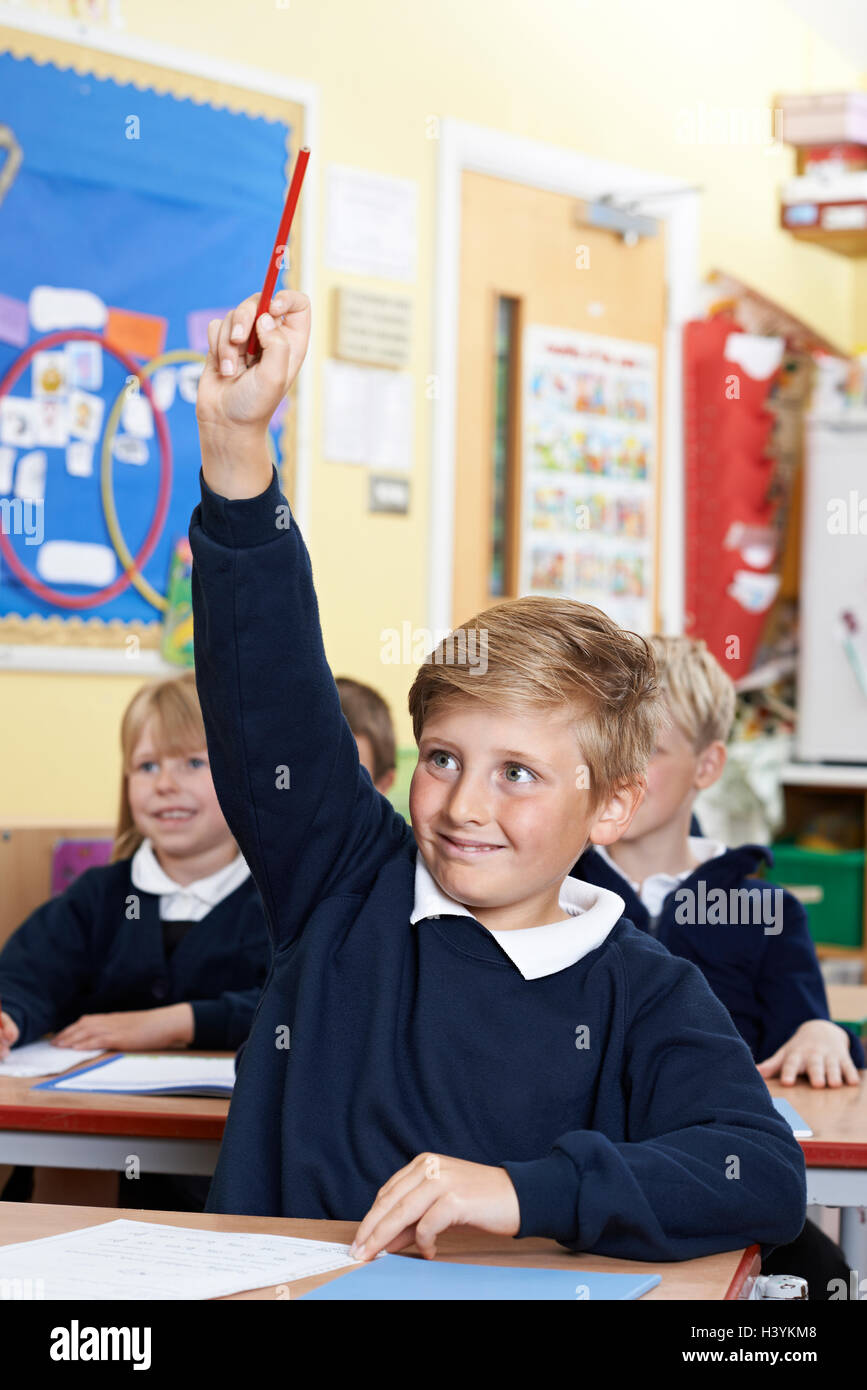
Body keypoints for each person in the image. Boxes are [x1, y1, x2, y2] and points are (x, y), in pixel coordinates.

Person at [188, 287, 806, 1263]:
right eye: (443, 759)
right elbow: (264, 683)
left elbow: (760, 1174)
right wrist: (235, 453)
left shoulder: (643, 988)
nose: (465, 804)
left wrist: (531, 1192)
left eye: (518, 772)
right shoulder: (345, 881)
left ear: (611, 804)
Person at [572, 633, 863, 1295]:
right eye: (606, 740)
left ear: (707, 766)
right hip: (582, 1187)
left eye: (650, 747)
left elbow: (805, 1038)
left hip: (711, 1185)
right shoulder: (547, 886)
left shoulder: (766, 911)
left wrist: (824, 1034)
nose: (623, 767)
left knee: (821, 1278)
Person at [0, 671, 270, 1210]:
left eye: (193, 763)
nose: (165, 784)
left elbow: (299, 1003)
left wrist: (177, 1022)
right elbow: (32, 972)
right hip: (89, 1168)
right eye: (147, 766)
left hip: (225, 1165)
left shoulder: (276, 901)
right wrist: (8, 1012)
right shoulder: (100, 896)